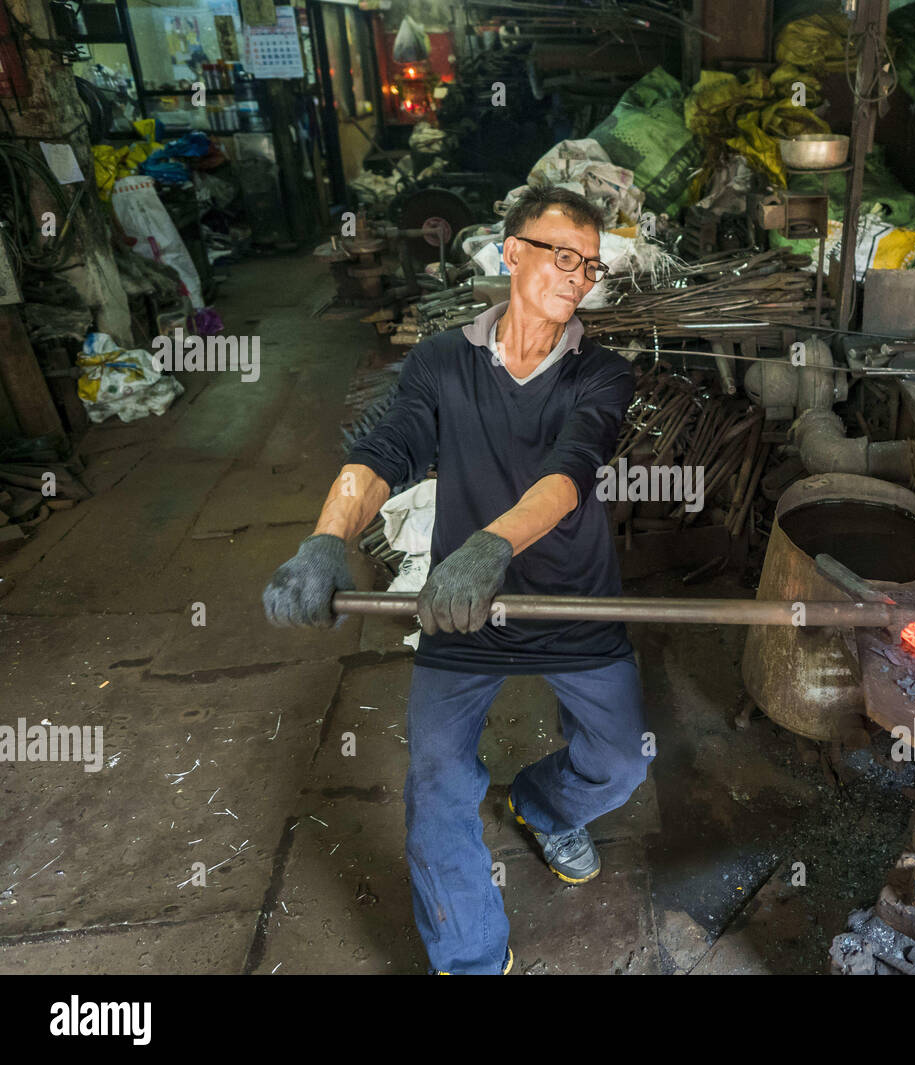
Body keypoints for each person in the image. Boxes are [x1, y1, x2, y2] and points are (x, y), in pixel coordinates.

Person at [263, 185, 651, 974]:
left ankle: (541, 805)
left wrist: (491, 543)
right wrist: (327, 538)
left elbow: (572, 469)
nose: (578, 275)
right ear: (512, 251)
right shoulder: (443, 360)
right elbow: (386, 448)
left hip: (573, 597)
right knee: (437, 785)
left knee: (621, 761)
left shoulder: (602, 373)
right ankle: (471, 958)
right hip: (461, 608)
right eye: (561, 254)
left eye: (591, 264)